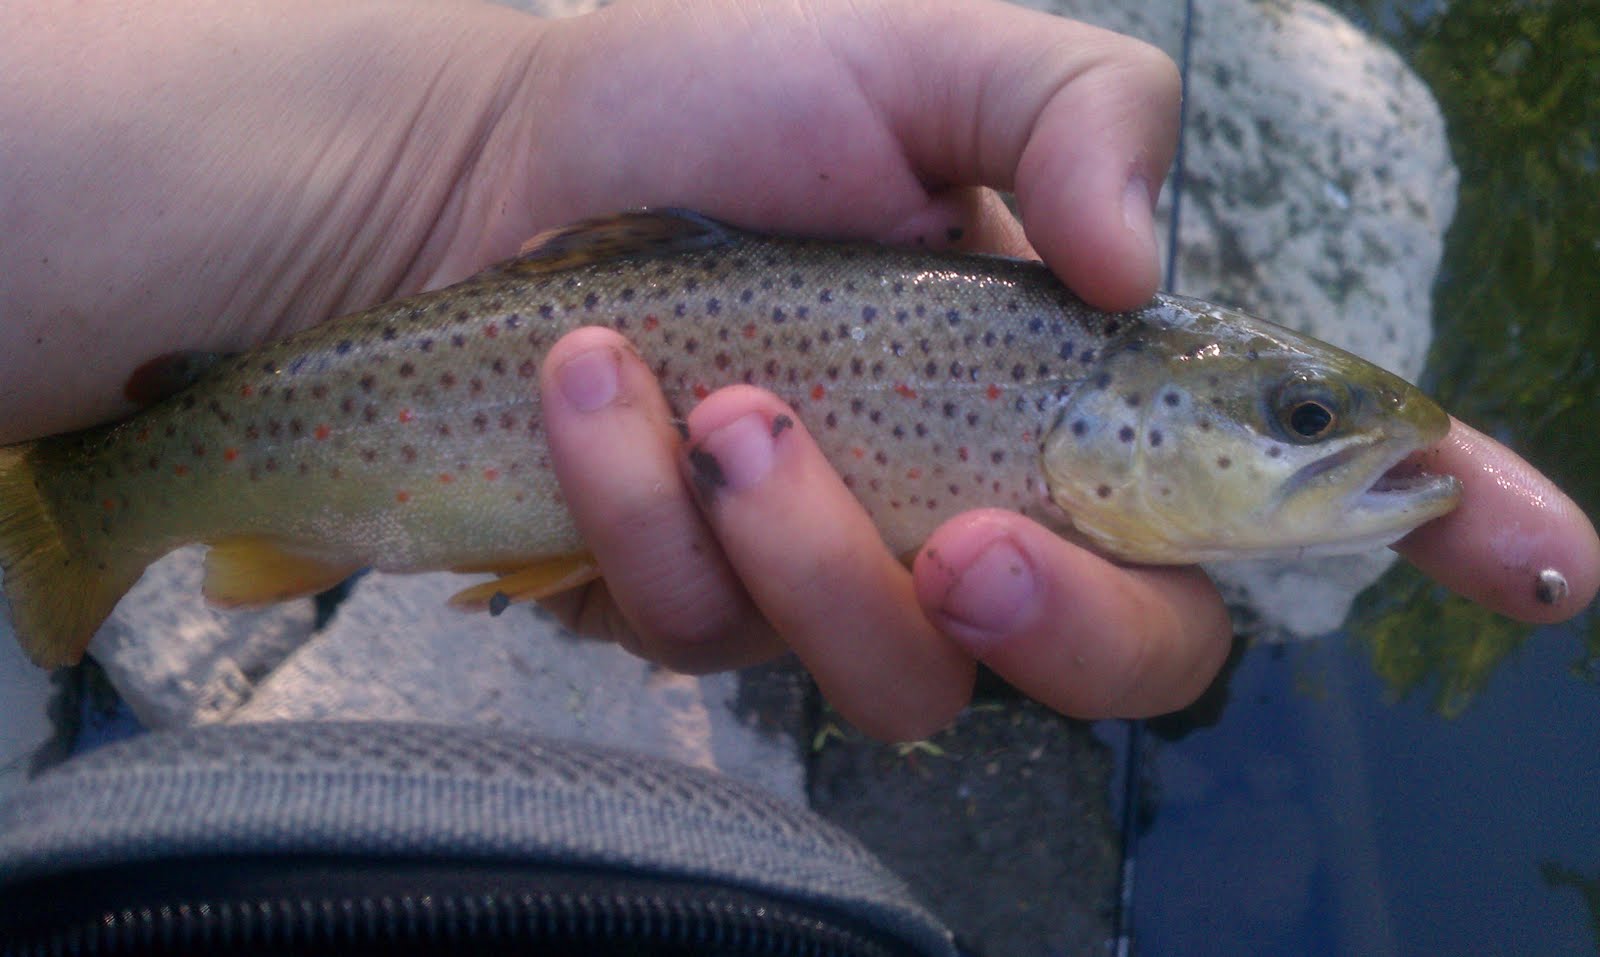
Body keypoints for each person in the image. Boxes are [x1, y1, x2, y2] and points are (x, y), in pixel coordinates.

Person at [2, 0, 1594, 741]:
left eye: (1304, 419)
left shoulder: (1058, 407)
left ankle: (83, 503)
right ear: (1137, 415)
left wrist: (483, 114)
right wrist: (484, 123)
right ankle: (71, 507)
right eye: (1303, 420)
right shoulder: (1052, 353)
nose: (1326, 441)